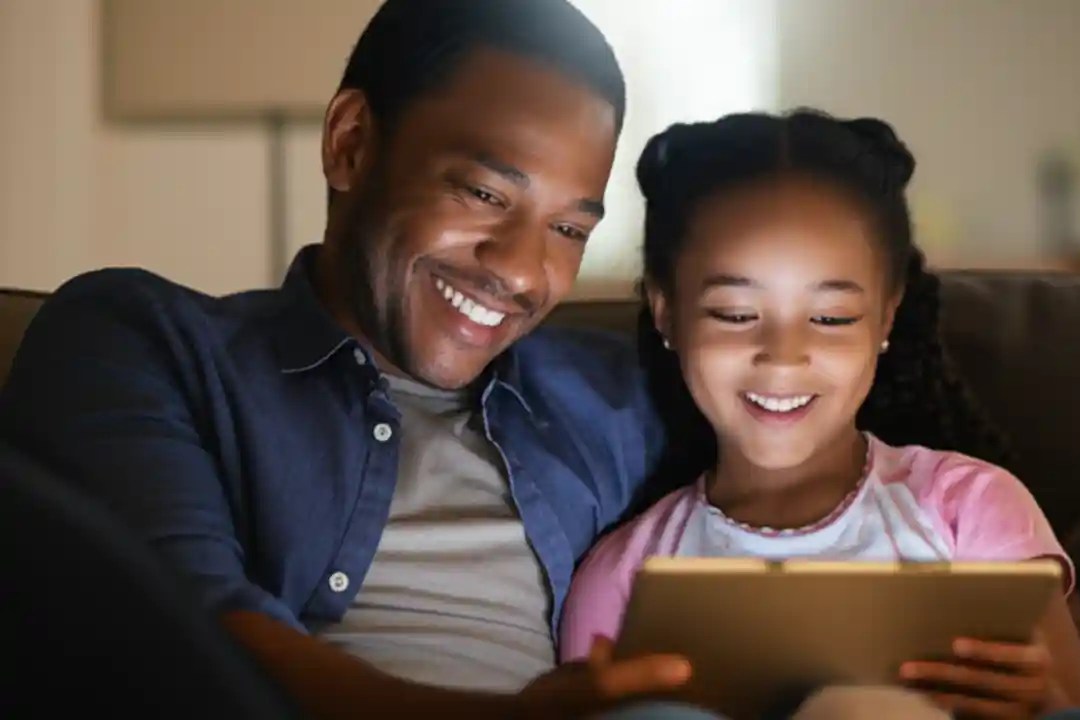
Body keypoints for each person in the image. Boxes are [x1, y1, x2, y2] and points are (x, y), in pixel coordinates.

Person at [0, 1, 692, 717]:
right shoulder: (142, 344)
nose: (520, 271)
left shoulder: (620, 395)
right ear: (352, 143)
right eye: (484, 194)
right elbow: (182, 637)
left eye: (568, 228)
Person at [558, 111, 1080, 720]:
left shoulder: (967, 509)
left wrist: (1042, 702)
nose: (783, 355)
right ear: (666, 313)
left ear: (886, 318)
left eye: (830, 318)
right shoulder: (626, 575)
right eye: (736, 313)